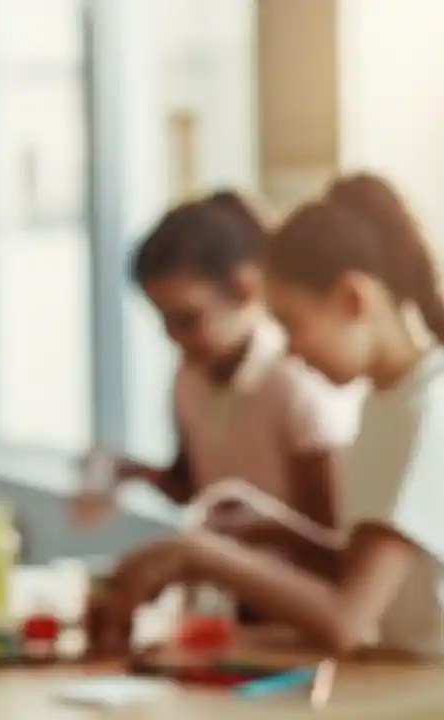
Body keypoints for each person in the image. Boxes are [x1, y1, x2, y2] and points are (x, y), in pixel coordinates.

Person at [97, 175, 444, 657]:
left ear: (352, 300)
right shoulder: (385, 402)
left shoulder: (431, 410)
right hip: (396, 671)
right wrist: (278, 529)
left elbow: (345, 619)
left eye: (292, 324)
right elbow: (368, 570)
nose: (288, 348)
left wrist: (200, 554)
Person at [73, 192, 355, 579]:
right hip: (229, 594)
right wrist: (125, 471)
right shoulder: (188, 379)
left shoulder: (293, 383)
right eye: (165, 322)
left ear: (244, 289)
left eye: (187, 320)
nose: (174, 338)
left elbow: (328, 539)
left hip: (296, 599)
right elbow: (194, 485)